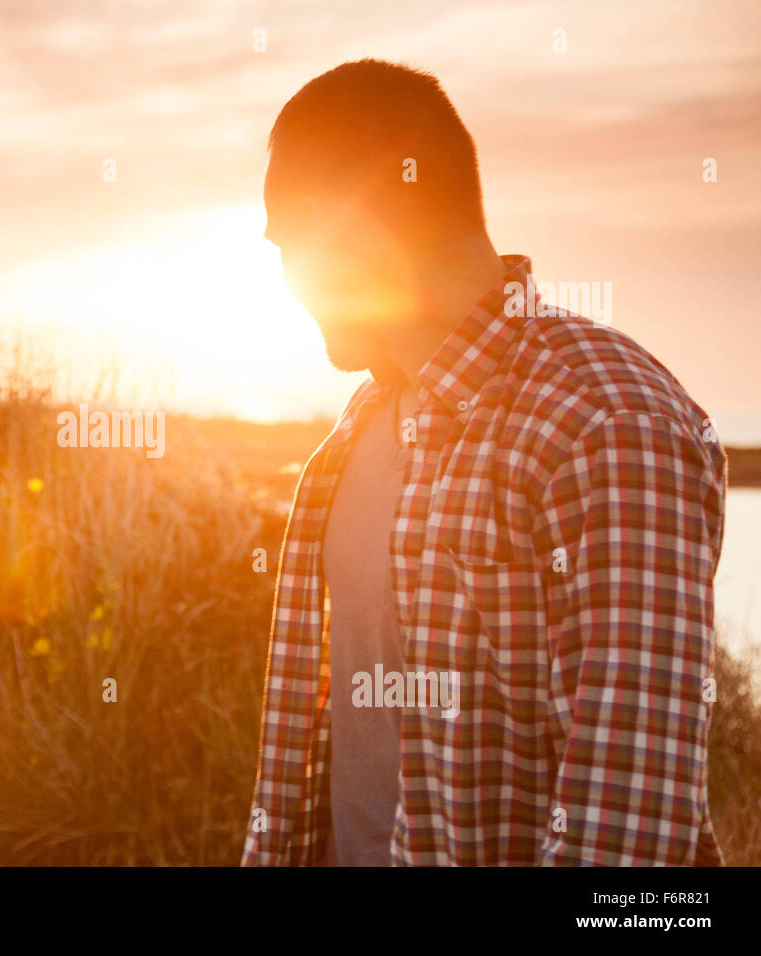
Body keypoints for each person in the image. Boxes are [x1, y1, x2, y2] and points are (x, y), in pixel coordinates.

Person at [244, 59, 726, 866]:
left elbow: (626, 843)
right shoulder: (360, 427)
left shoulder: (605, 425)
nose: (287, 278)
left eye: (290, 241)